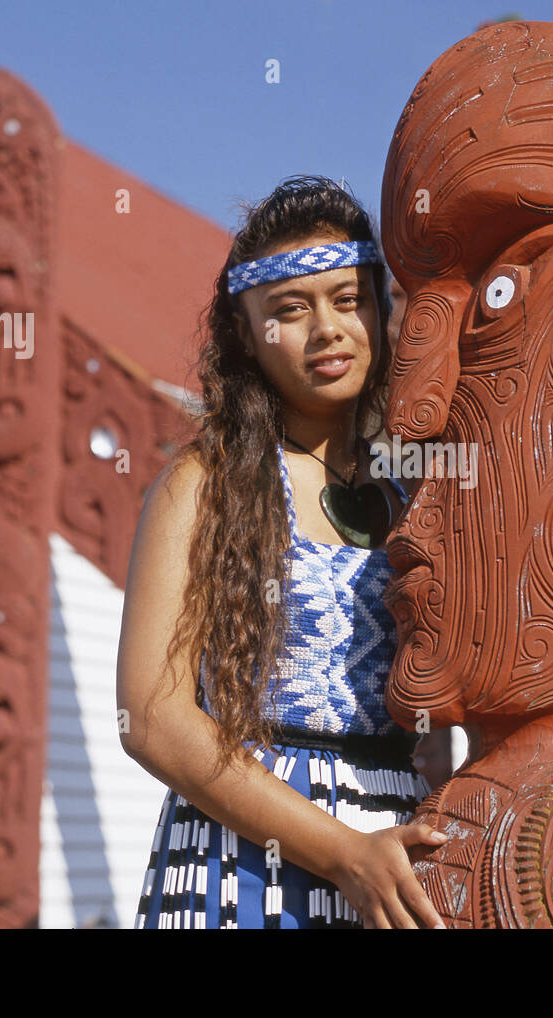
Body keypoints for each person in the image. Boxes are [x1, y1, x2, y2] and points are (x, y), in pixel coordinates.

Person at [118, 175, 448, 929]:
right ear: (247, 335)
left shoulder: (423, 487)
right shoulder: (203, 485)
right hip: (240, 864)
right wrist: (341, 854)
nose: (327, 328)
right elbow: (149, 715)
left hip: (398, 871)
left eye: (347, 298)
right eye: (290, 311)